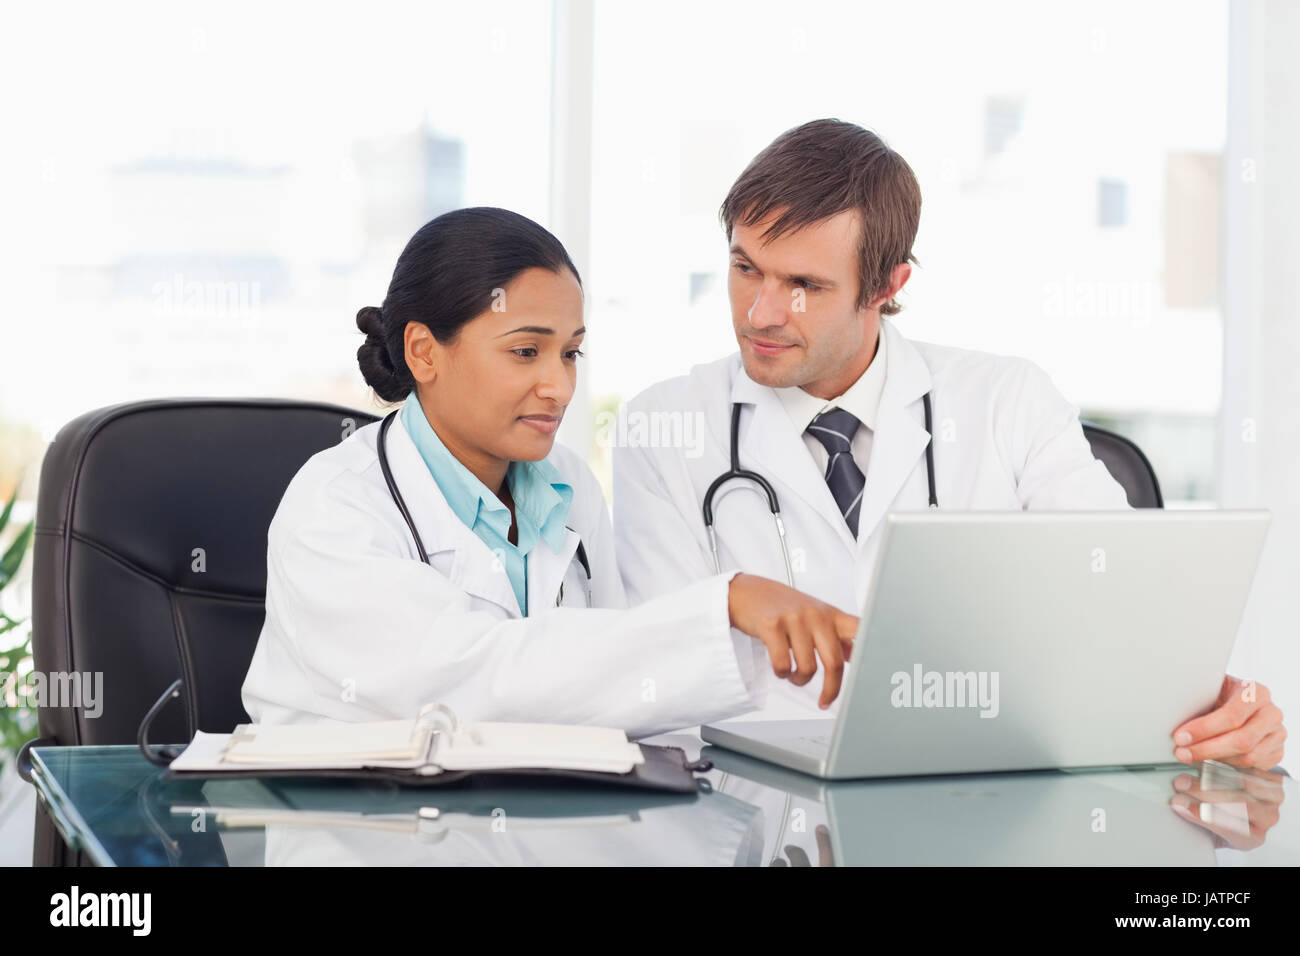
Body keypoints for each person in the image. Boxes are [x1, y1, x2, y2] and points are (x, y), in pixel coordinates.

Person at [613, 119, 1286, 771]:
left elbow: (1126, 610)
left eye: (804, 286)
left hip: (984, 803)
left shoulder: (1007, 403)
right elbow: (654, 680)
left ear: (886, 286)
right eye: (746, 267)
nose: (760, 312)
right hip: (754, 816)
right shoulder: (664, 429)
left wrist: (1218, 707)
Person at [241, 206, 858, 737]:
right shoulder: (335, 507)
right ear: (423, 351)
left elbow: (613, 695)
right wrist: (726, 602)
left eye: (570, 353)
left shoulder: (565, 485)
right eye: (525, 351)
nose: (560, 386)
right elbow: (473, 680)